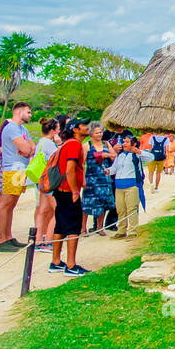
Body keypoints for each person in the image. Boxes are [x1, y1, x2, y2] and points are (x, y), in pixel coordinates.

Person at [50, 117, 90, 276]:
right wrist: (75, 191)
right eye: (83, 126)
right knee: (74, 226)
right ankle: (71, 265)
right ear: (75, 129)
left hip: (60, 190)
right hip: (68, 191)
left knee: (60, 225)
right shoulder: (74, 144)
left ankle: (56, 261)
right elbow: (70, 169)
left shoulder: (67, 144)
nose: (87, 128)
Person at [0, 102, 35, 252]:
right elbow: (26, 148)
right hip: (13, 169)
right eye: (29, 112)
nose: (30, 115)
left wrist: (27, 149)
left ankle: (8, 236)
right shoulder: (11, 127)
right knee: (6, 203)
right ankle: (2, 239)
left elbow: (32, 148)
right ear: (19, 112)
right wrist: (26, 148)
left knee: (11, 204)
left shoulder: (23, 129)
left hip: (21, 169)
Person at [32, 118, 61, 254]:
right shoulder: (49, 143)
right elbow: (58, 159)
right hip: (49, 180)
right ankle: (48, 241)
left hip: (41, 180)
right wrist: (59, 144)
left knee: (42, 210)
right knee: (58, 210)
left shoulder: (40, 142)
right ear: (53, 130)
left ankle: (37, 240)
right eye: (58, 128)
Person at [81, 122, 116, 235]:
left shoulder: (106, 144)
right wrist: (82, 179)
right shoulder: (87, 145)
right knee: (87, 203)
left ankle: (100, 226)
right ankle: (83, 228)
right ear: (91, 134)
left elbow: (114, 155)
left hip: (104, 178)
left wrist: (107, 155)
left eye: (101, 132)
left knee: (103, 202)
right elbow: (82, 163)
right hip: (91, 178)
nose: (99, 134)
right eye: (97, 133)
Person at [108, 136, 146, 239]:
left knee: (131, 208)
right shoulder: (120, 156)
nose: (124, 144)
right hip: (119, 186)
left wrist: (138, 151)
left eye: (127, 142)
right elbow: (114, 168)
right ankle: (121, 230)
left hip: (131, 185)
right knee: (121, 209)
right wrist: (108, 171)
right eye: (124, 142)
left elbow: (150, 157)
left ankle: (132, 231)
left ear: (133, 144)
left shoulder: (137, 156)